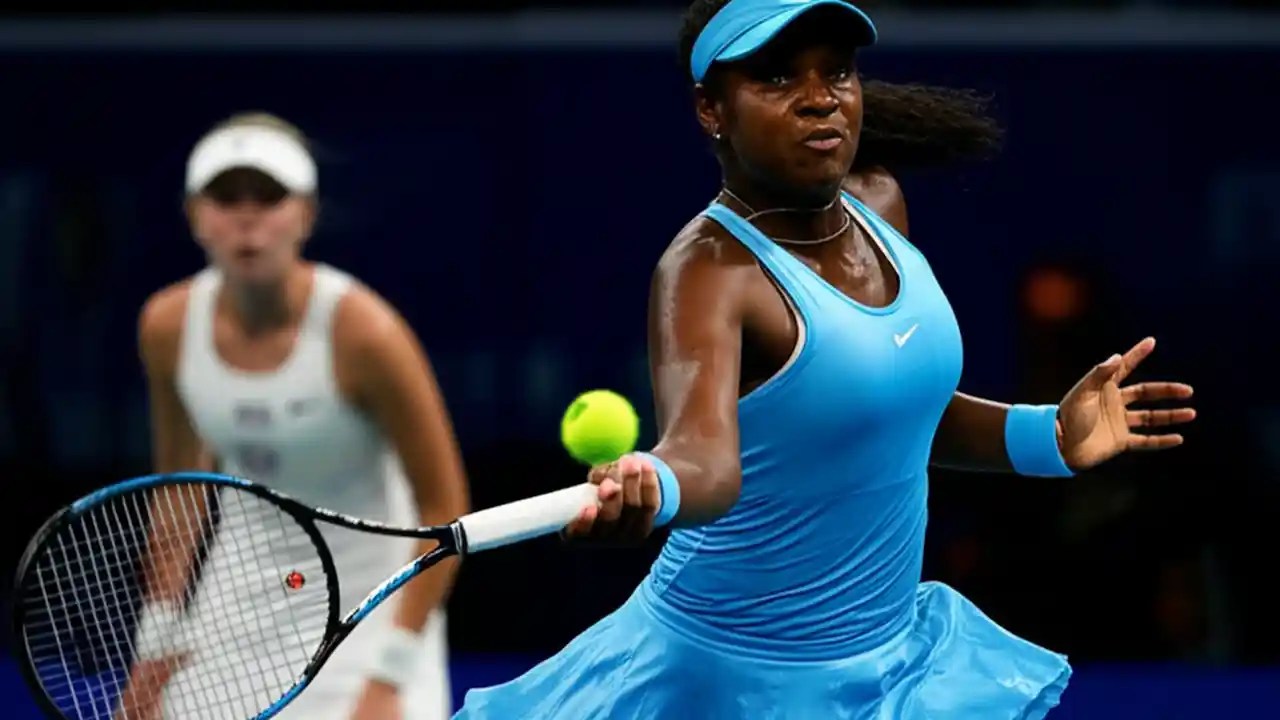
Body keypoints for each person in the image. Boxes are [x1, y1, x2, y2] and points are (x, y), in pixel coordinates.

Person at [454, 1, 1195, 718]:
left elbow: (887, 417)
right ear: (712, 109)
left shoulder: (880, 203)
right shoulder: (708, 270)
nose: (820, 100)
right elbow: (706, 462)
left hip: (890, 670)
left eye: (836, 73)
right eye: (777, 78)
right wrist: (654, 487)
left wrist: (1049, 437)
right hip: (722, 680)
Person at [125, 112, 468, 720]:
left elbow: (444, 508)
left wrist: (389, 675)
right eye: (226, 197)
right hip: (237, 602)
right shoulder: (168, 326)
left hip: (373, 604)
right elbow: (179, 492)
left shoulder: (366, 334)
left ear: (305, 214)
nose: (248, 215)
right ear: (194, 216)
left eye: (269, 196)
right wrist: (156, 645)